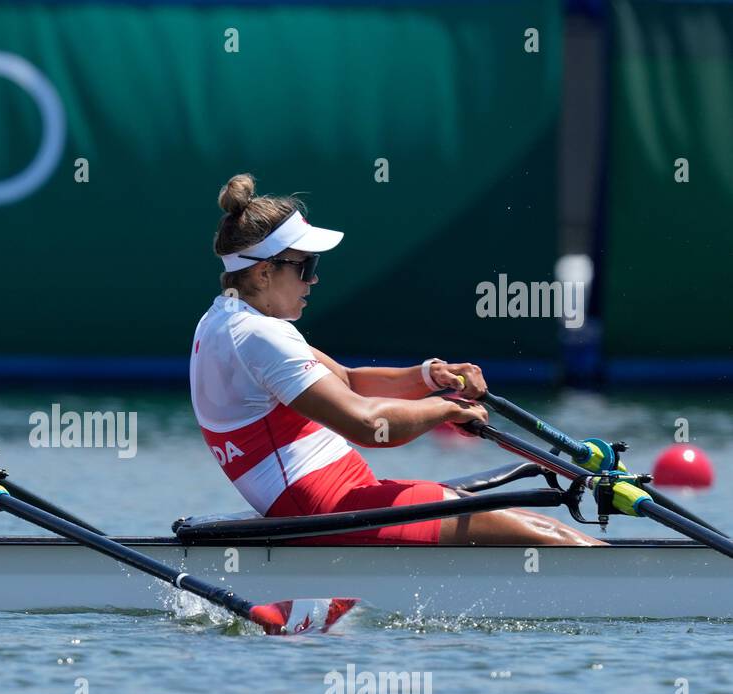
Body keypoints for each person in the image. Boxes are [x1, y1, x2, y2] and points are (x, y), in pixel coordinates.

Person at [190, 173, 600, 546]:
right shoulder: (260, 336)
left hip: (334, 501)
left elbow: (349, 382)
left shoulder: (225, 321)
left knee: (528, 528)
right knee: (553, 537)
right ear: (263, 273)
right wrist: (445, 410)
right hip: (330, 510)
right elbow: (369, 426)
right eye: (305, 266)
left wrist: (431, 375)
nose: (313, 279)